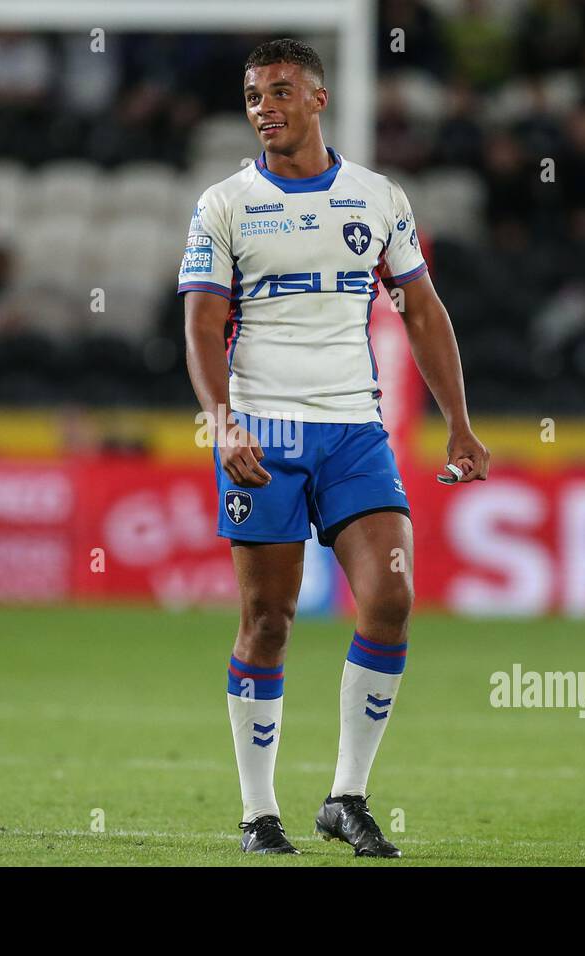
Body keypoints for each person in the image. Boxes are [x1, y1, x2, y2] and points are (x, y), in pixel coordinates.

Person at [179, 39, 489, 857]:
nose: (264, 106)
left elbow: (421, 311)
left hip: (355, 430)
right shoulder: (225, 204)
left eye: (280, 90)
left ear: (319, 99)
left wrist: (459, 419)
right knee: (269, 621)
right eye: (252, 94)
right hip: (263, 432)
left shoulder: (377, 197)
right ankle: (258, 812)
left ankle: (346, 796)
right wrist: (222, 420)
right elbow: (203, 324)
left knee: (390, 598)